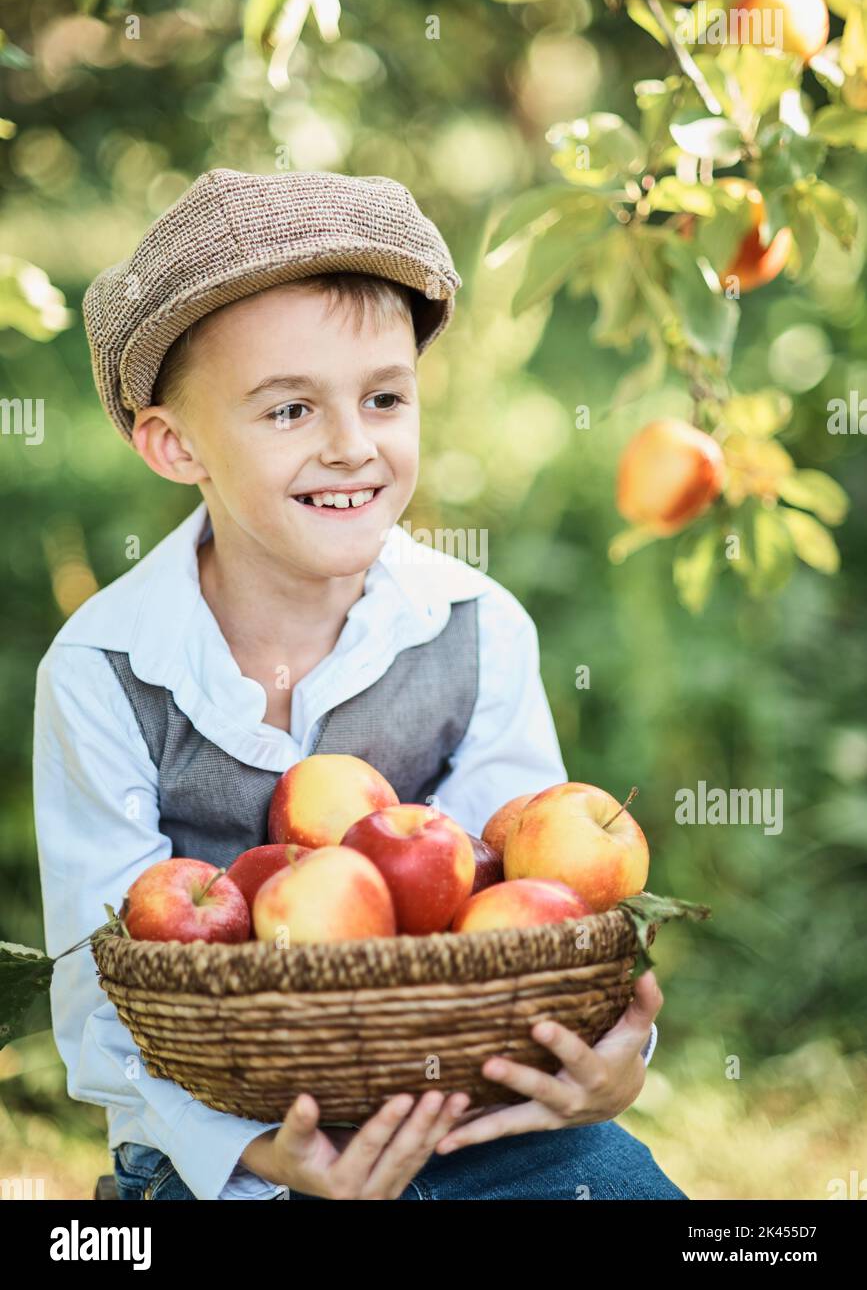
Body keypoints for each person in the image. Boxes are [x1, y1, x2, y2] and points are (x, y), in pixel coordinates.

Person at [32, 168, 686, 1201]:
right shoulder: (105, 669)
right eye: (290, 407)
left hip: (470, 1122)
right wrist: (257, 1155)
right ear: (174, 441)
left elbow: (530, 913)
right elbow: (97, 999)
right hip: (234, 1150)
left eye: (384, 396)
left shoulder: (475, 630)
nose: (352, 443)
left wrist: (599, 1063)